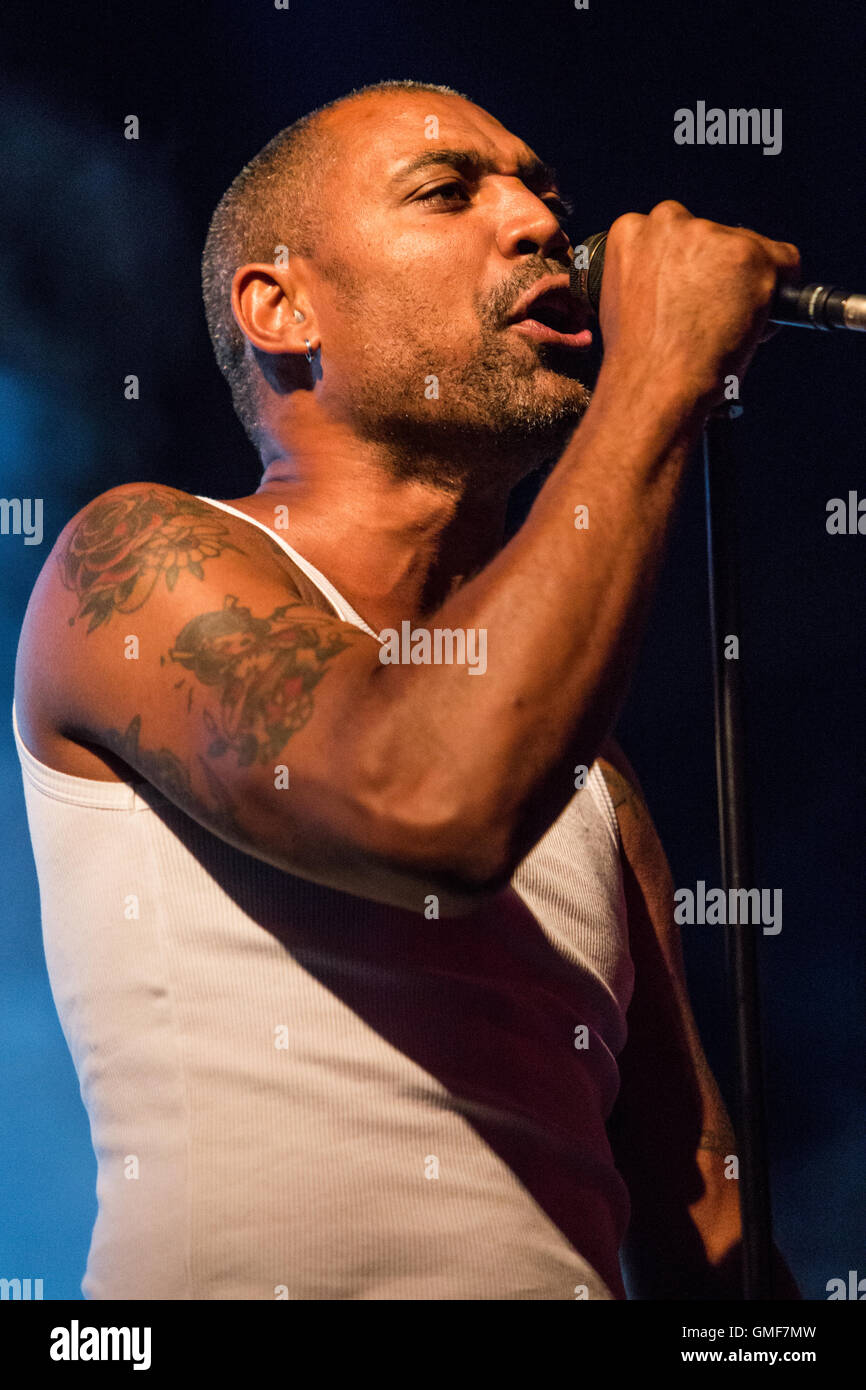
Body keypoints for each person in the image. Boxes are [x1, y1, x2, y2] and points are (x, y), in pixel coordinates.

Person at [13, 79, 800, 1300]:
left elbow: (698, 1208)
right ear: (280, 306)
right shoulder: (138, 560)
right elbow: (430, 799)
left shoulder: (586, 773)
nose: (538, 222)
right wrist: (655, 382)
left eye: (542, 191)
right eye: (450, 191)